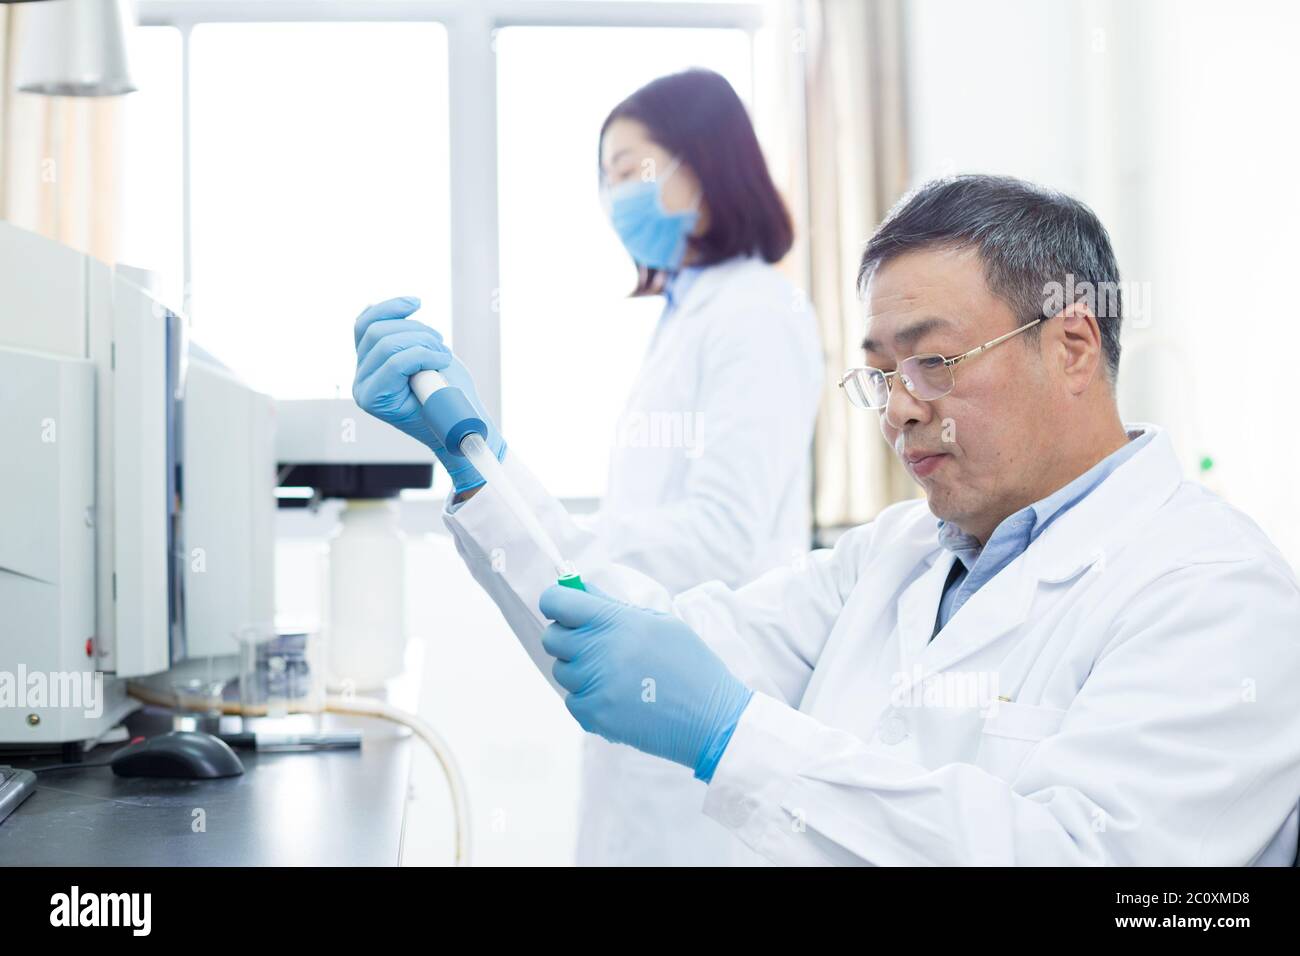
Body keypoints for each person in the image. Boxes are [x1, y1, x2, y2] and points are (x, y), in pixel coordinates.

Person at [355, 174, 1300, 864]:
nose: (898, 409)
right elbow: (626, 643)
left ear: (1072, 346)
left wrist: (739, 738)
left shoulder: (1213, 595)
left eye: (933, 362)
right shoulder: (901, 555)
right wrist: (476, 463)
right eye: (882, 374)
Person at [354, 68, 822, 866]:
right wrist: (500, 484)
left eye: (629, 169)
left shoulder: (755, 311)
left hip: (705, 692)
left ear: (706, 161)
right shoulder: (688, 314)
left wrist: (556, 535)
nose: (613, 195)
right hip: (645, 708)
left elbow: (723, 536)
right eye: (603, 176)